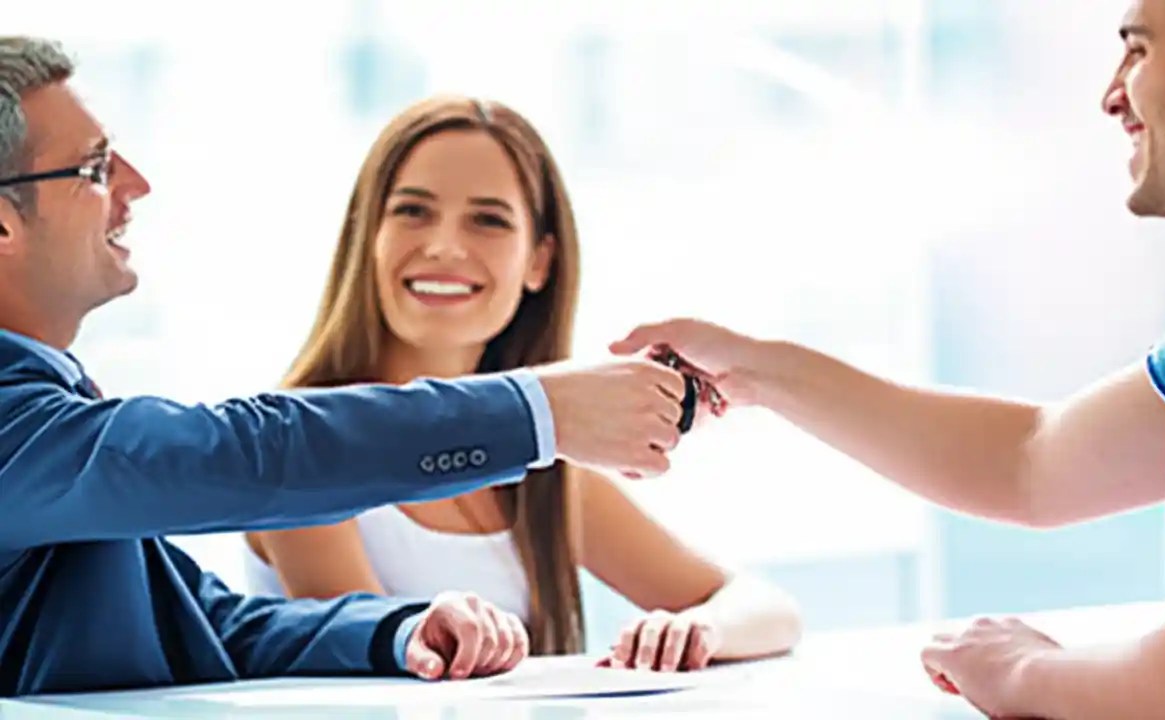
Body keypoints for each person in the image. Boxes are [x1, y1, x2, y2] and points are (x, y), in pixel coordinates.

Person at [611, 0, 1165, 716]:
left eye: (1139, 52)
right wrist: (754, 371)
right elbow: (1030, 460)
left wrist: (1023, 671)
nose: (1112, 94)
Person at [0, 37, 692, 697]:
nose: (137, 184)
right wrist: (537, 412)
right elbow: (250, 452)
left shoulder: (47, 407)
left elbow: (196, 626)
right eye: (94, 168)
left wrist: (397, 630)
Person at [243, 96, 802, 674]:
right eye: (413, 211)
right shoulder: (302, 438)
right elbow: (392, 671)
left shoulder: (544, 469)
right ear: (369, 236)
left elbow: (770, 611)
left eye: (488, 220)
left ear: (539, 262)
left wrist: (695, 628)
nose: (444, 246)